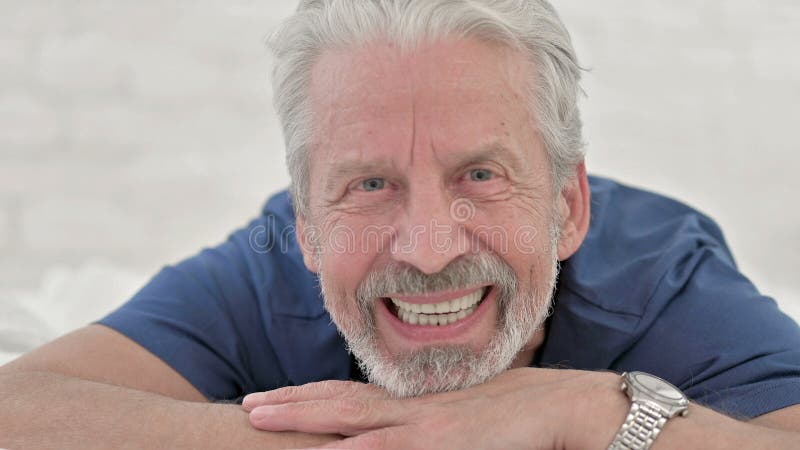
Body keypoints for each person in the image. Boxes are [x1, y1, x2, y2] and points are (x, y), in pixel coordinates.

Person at [2, 1, 800, 448]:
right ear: (308, 225)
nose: (426, 249)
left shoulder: (659, 276)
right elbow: (19, 407)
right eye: (371, 183)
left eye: (481, 176)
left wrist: (581, 412)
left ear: (566, 207)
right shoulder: (269, 274)